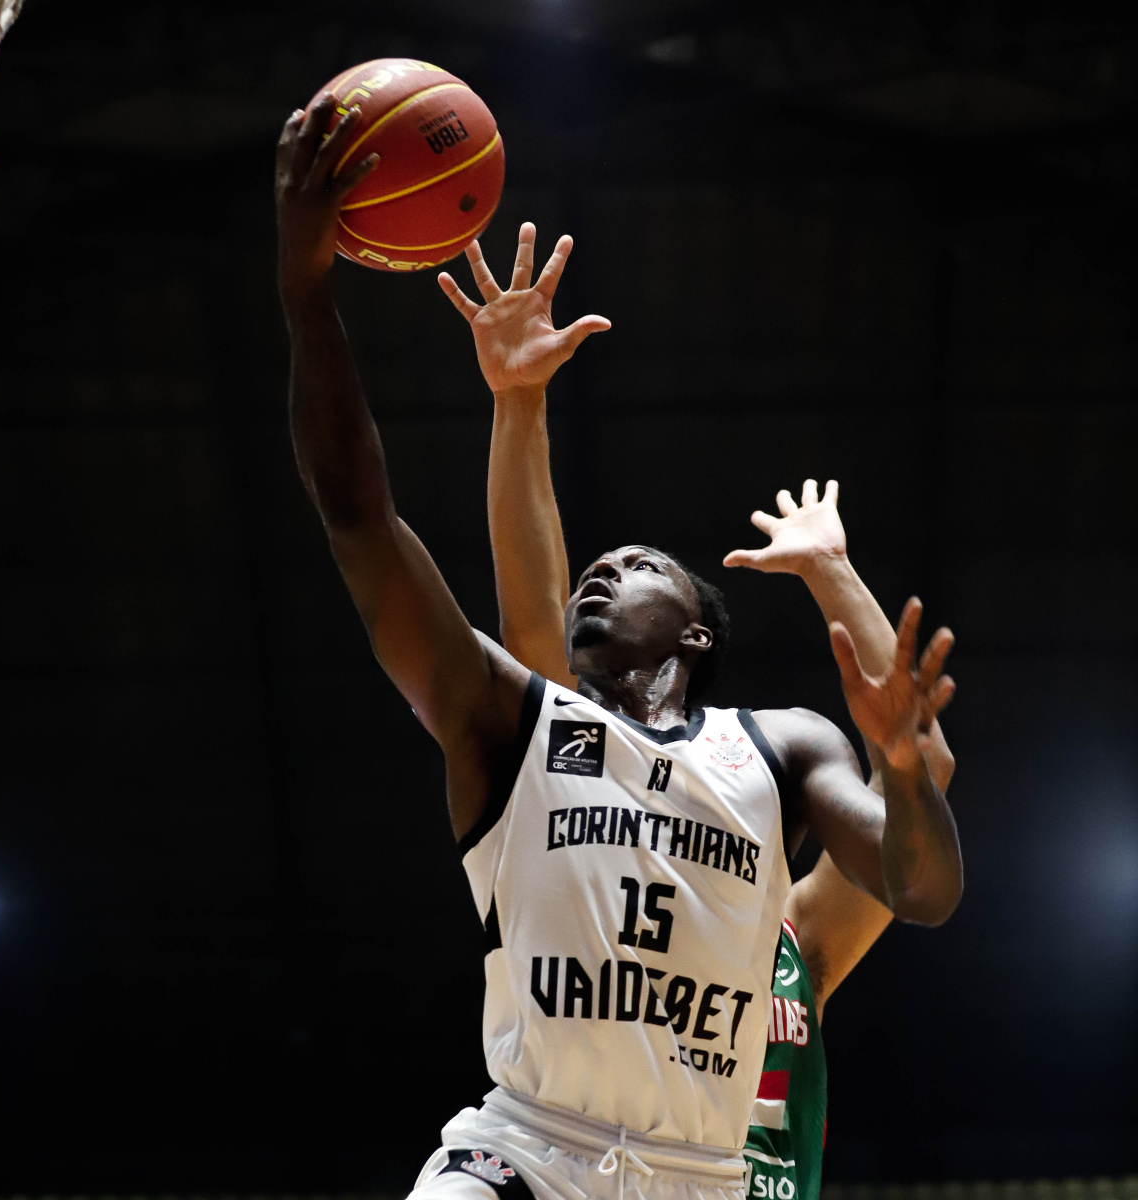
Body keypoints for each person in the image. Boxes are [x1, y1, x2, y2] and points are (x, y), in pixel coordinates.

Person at [275, 100, 963, 1200]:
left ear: (697, 627)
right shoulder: (520, 722)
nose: (603, 569)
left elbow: (921, 883)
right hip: (524, 1150)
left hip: (704, 1177)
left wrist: (900, 762)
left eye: (636, 563)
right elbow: (363, 521)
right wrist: (307, 287)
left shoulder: (778, 754)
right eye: (593, 566)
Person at [444, 222, 957, 1200]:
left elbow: (921, 787)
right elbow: (532, 624)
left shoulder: (799, 935)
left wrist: (834, 571)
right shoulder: (587, 787)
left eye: (637, 569)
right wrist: (517, 404)